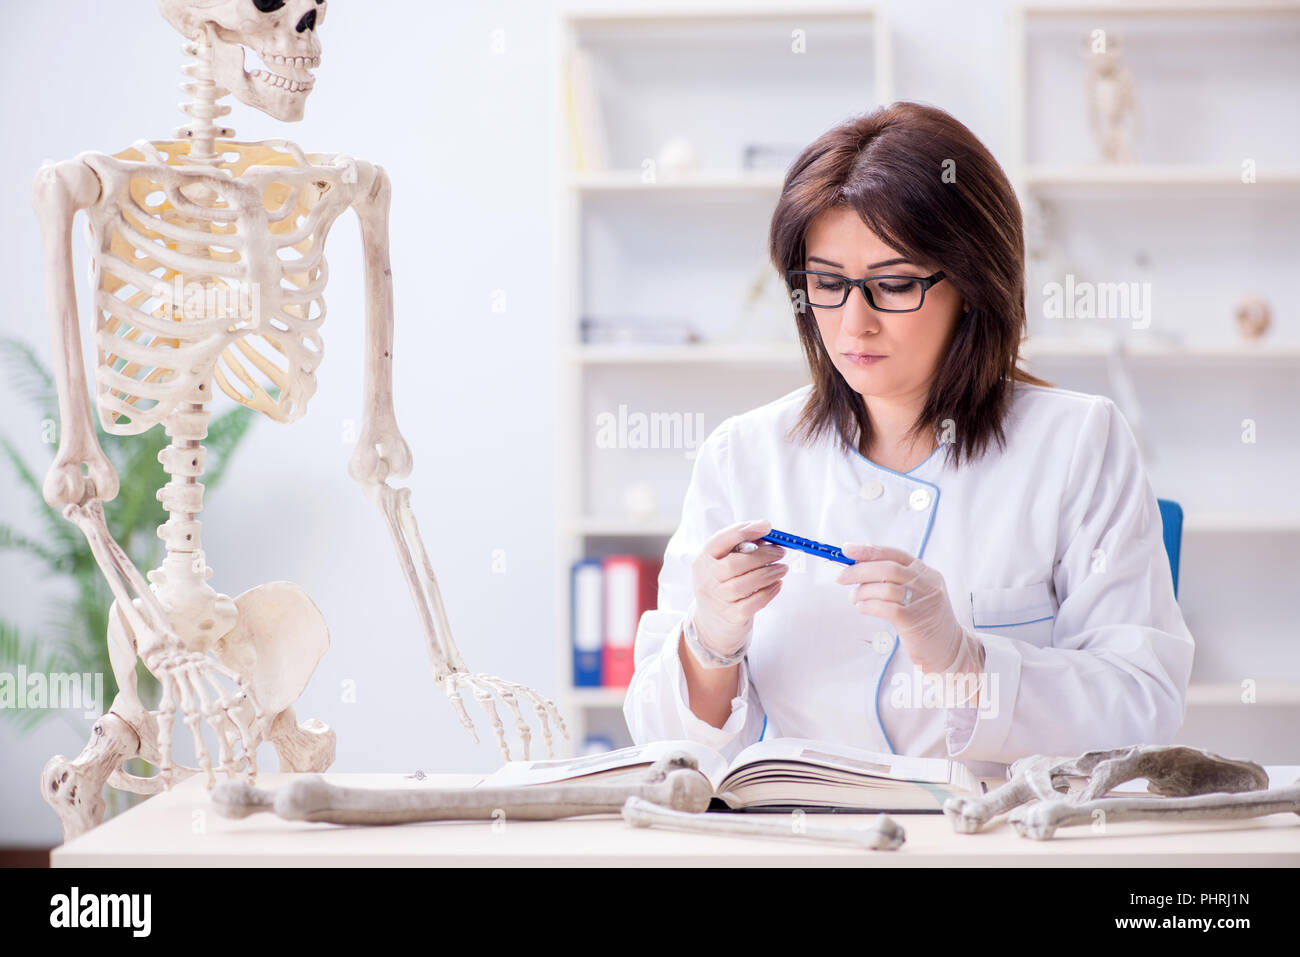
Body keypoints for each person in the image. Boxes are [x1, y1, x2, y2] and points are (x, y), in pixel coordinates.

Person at [622, 102, 1193, 778]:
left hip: (992, 841)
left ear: (974, 286)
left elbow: (1143, 704)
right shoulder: (743, 455)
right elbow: (663, 741)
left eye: (893, 285)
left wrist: (963, 660)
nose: (853, 323)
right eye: (827, 283)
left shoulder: (1077, 443)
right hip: (795, 837)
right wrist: (709, 640)